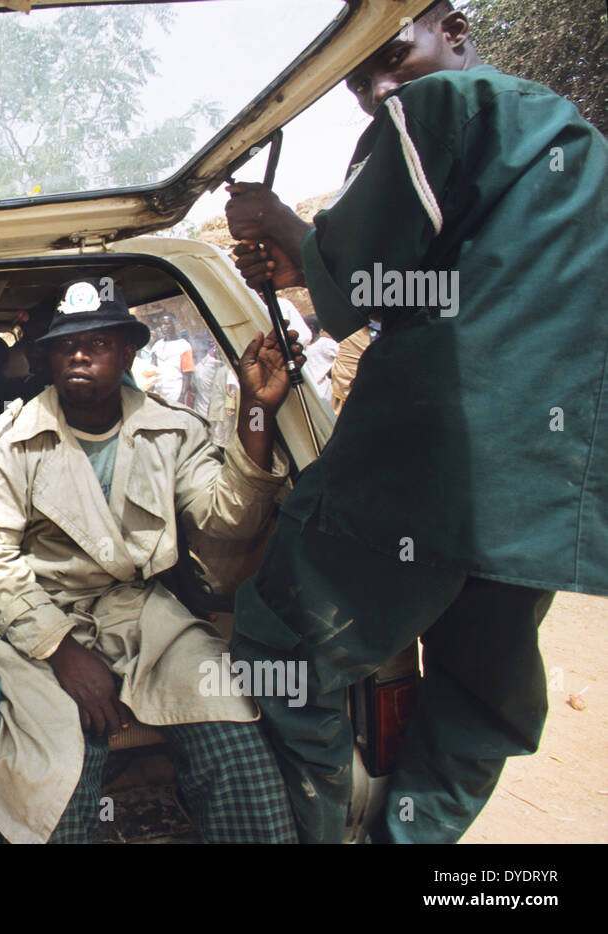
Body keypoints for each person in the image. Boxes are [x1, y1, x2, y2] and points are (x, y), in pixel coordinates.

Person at [223, 0, 608, 842]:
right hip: (546, 496)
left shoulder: (440, 108)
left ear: (457, 31)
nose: (381, 89)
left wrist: (280, 222)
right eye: (362, 83)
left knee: (281, 647)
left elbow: (359, 284)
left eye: (392, 54)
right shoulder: (577, 148)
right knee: (481, 706)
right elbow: (440, 282)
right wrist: (309, 256)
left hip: (432, 467)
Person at [0, 277, 303, 844]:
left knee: (232, 731)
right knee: (55, 773)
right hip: (38, 623)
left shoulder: (171, 429)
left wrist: (256, 417)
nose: (81, 354)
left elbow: (228, 521)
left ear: (128, 350)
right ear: (48, 356)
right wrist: (62, 651)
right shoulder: (11, 437)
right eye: (67, 344)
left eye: (99, 342)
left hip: (143, 614)